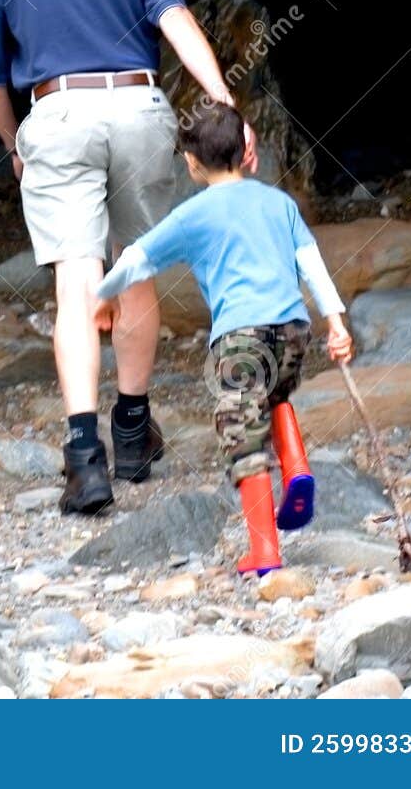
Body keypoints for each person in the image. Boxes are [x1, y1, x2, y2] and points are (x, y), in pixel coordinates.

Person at [0, 0, 251, 514]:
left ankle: (85, 460)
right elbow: (176, 20)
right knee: (136, 269)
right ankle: (132, 431)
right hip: (135, 106)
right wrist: (224, 103)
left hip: (57, 113)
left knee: (76, 288)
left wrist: (14, 146)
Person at [95, 101, 353, 575]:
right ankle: (296, 467)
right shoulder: (279, 203)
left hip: (240, 337)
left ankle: (264, 551)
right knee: (274, 395)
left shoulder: (193, 214)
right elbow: (312, 265)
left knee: (241, 433)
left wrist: (103, 296)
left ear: (192, 163)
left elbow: (135, 259)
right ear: (245, 152)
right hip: (293, 329)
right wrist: (335, 323)